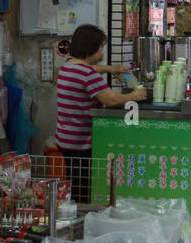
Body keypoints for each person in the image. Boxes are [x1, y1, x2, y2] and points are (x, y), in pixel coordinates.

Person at [53, 24, 145, 199]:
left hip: (64, 139)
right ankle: (80, 218)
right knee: (83, 187)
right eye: (101, 47)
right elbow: (111, 100)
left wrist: (110, 69)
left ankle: (75, 211)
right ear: (92, 49)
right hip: (80, 143)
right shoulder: (88, 74)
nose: (102, 52)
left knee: (75, 181)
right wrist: (135, 95)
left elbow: (90, 70)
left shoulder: (68, 66)